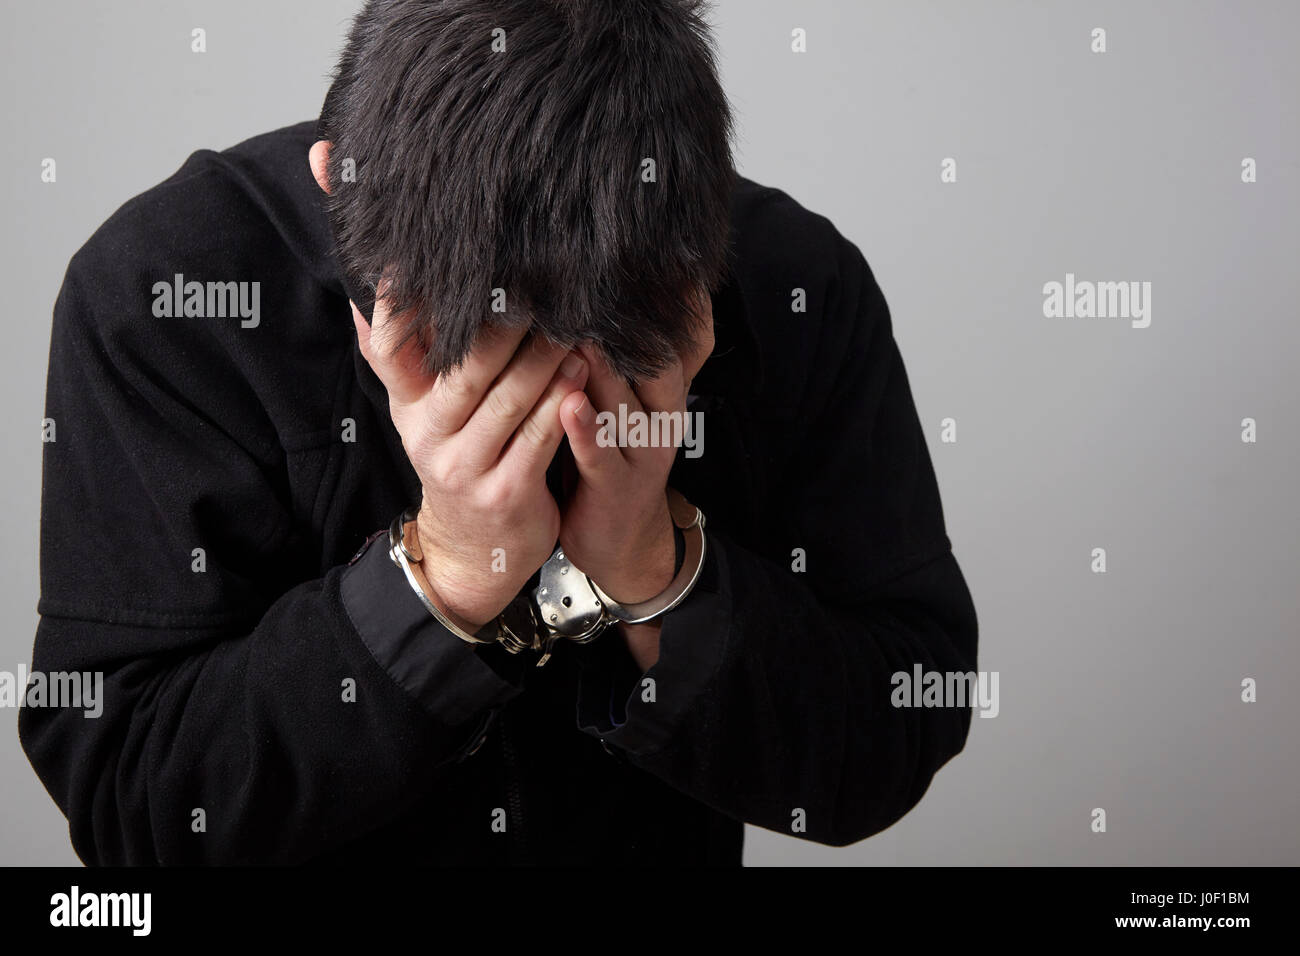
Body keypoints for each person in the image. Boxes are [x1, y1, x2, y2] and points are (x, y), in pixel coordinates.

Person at [20, 0, 978, 865]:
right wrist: (445, 575)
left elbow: (892, 735)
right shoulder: (164, 294)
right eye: (471, 340)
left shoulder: (797, 283)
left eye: (590, 344)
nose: (538, 397)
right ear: (333, 182)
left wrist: (651, 567)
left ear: (698, 243)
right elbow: (132, 805)